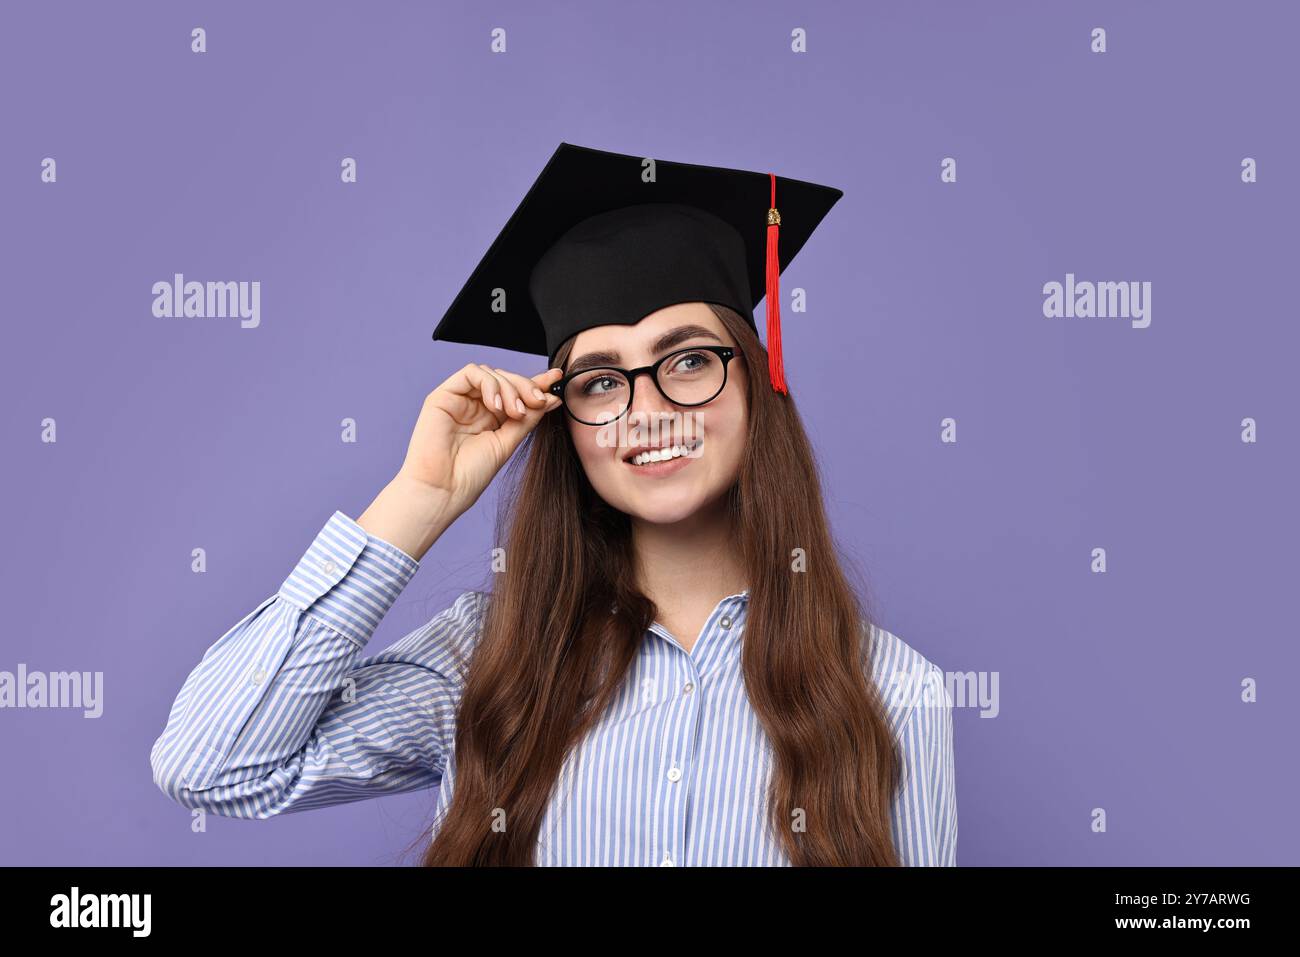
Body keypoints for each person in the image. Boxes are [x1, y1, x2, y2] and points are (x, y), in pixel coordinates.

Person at [150, 142, 957, 866]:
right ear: (564, 419)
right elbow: (213, 764)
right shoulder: (492, 660)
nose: (644, 409)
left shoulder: (890, 689)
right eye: (600, 381)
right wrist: (419, 500)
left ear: (756, 380)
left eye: (685, 361)